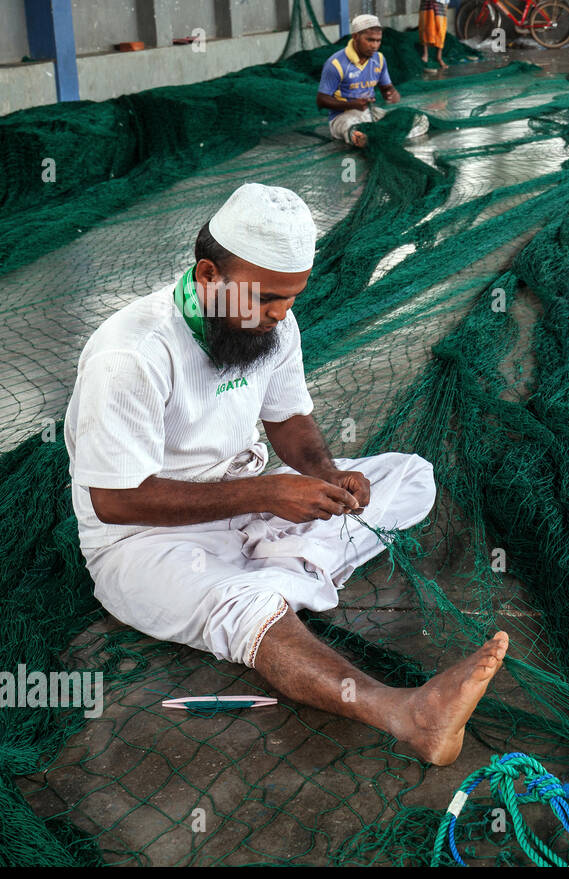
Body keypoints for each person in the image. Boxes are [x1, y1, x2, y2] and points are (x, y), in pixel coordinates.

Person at [64, 183, 508, 765]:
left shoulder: (272, 326)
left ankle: (271, 579)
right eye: (268, 298)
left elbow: (290, 420)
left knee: (407, 475)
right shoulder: (132, 353)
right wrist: (267, 492)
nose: (280, 314)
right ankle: (409, 714)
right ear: (208, 276)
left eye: (291, 299)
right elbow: (115, 501)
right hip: (145, 542)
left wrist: (327, 474)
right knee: (246, 610)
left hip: (248, 505)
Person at [317, 14, 402, 149]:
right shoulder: (336, 63)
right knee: (357, 132)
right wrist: (352, 104)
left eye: (378, 41)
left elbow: (387, 88)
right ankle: (356, 136)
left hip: (369, 112)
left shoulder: (379, 59)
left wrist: (392, 93)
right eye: (370, 40)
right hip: (342, 117)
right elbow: (321, 100)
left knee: (409, 120)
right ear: (355, 36)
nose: (375, 46)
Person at [419, 0, 449, 69]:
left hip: (441, 3)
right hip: (427, 2)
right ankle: (425, 54)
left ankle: (439, 57)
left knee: (441, 30)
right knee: (425, 27)